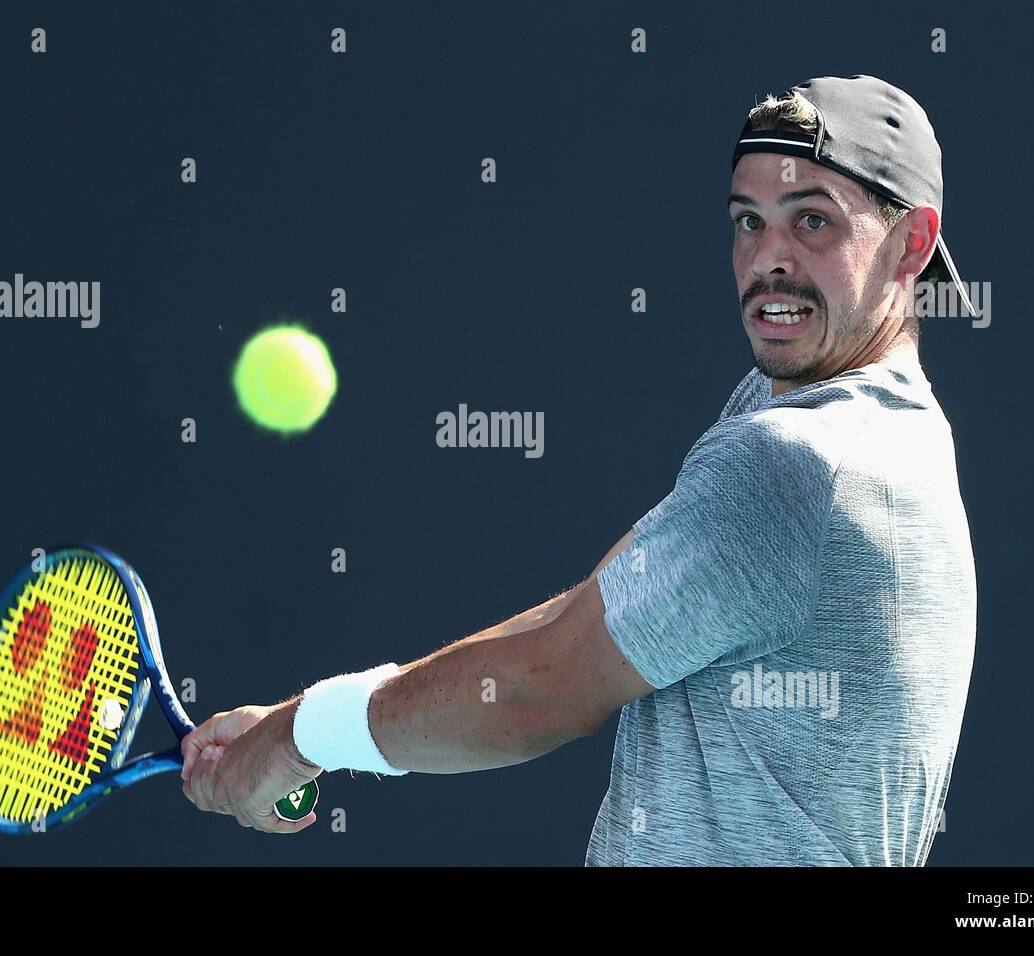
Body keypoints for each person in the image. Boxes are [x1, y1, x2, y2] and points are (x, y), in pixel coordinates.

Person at [181, 74, 978, 867]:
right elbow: (594, 612)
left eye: (812, 220)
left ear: (911, 243)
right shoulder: (863, 429)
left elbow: (539, 689)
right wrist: (300, 720)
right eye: (747, 221)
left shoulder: (798, 464)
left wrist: (303, 738)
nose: (769, 260)